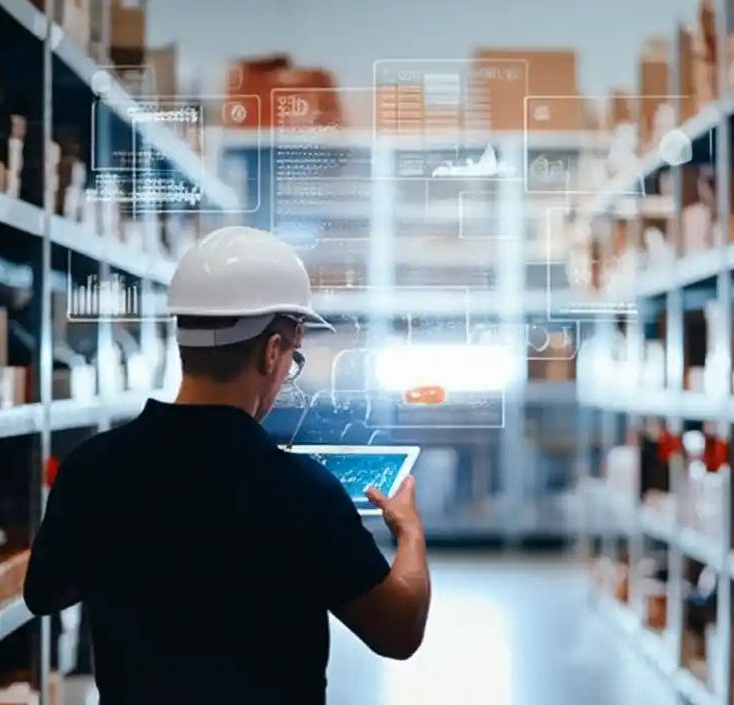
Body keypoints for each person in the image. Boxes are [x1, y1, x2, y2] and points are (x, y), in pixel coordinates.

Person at [23, 226, 431, 704]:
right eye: (292, 358)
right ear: (272, 350)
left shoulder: (92, 467)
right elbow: (399, 630)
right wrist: (409, 531)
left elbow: (44, 594)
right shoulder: (302, 491)